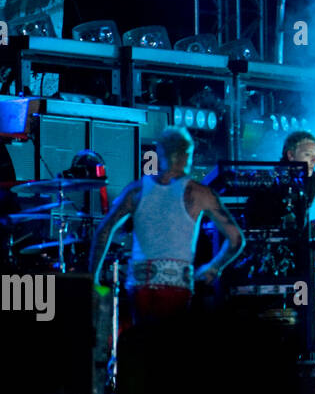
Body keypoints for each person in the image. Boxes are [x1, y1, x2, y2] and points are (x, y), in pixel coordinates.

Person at [89, 126, 245, 323]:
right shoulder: (199, 193)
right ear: (187, 154)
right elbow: (236, 239)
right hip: (176, 286)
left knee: (144, 346)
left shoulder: (136, 190)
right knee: (169, 349)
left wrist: (92, 276)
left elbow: (104, 230)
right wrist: (214, 267)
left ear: (160, 152)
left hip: (139, 284)